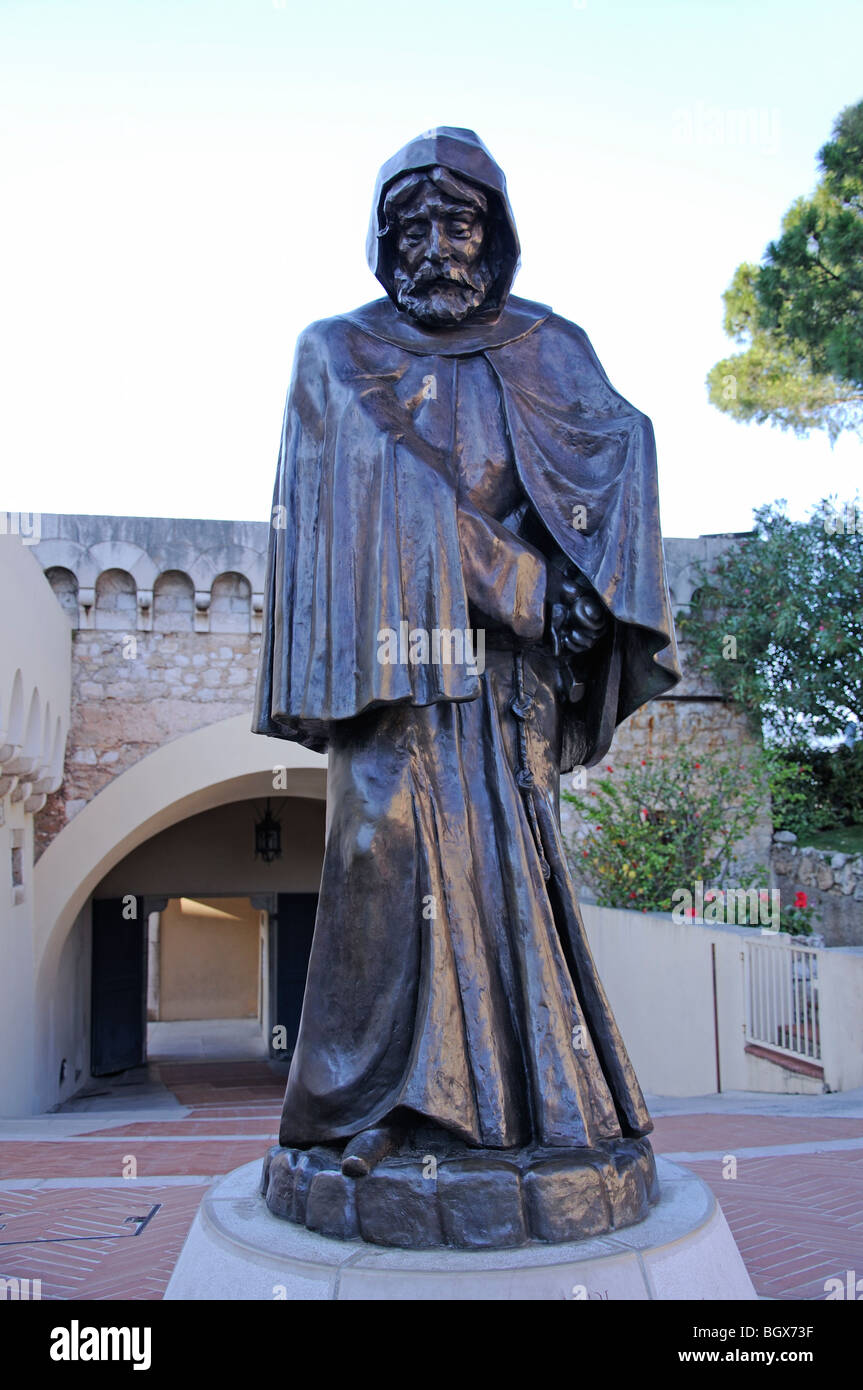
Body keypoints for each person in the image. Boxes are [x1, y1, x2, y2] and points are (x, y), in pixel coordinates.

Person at [253, 127, 680, 1180]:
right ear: (382, 241)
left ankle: (518, 1111)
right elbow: (366, 481)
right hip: (392, 667)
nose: (436, 245)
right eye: (412, 226)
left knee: (504, 873)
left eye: (457, 221)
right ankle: (365, 1105)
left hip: (503, 683)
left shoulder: (548, 346)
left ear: (492, 235)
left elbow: (622, 449)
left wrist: (579, 578)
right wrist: (524, 584)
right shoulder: (335, 348)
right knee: (374, 855)